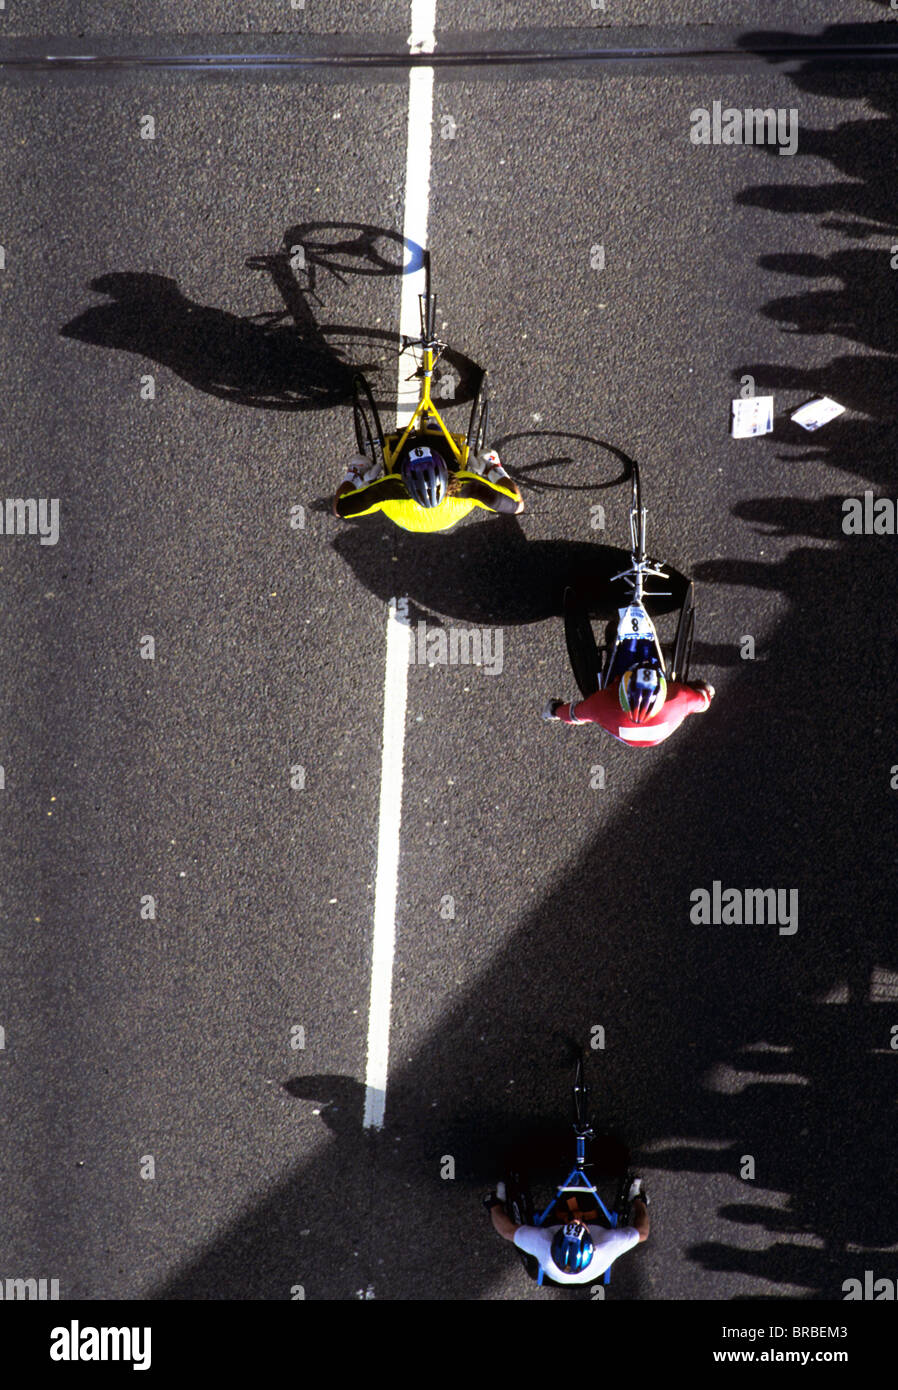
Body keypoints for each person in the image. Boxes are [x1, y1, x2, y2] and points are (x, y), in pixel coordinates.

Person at [333, 438, 523, 533]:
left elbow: (338, 508)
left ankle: (357, 472)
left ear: (402, 479)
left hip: (407, 522)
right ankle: (492, 468)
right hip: (444, 522)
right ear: (447, 473)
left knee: (402, 445)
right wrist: (492, 471)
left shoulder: (388, 488)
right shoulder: (467, 485)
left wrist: (355, 478)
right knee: (440, 440)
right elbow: (518, 505)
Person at [485, 1178, 650, 1286]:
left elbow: (507, 1231)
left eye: (575, 1224)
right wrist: (640, 1204)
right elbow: (643, 1233)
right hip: (588, 1271)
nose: (576, 1221)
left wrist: (493, 1205)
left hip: (559, 1271)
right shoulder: (608, 1244)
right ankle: (636, 1197)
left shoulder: (541, 1243)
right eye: (578, 1224)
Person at [543, 664, 715, 747]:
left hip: (622, 725)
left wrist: (556, 710)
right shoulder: (679, 698)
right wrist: (704, 690)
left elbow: (573, 714)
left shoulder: (604, 705)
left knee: (587, 711)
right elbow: (705, 700)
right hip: (657, 732)